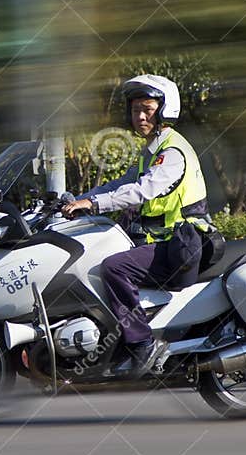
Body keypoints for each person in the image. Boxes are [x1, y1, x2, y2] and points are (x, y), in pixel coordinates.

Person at [61, 74, 213, 376]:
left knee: (114, 268)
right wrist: (77, 200)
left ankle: (143, 344)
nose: (140, 116)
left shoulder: (172, 152)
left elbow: (141, 191)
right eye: (134, 110)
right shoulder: (153, 150)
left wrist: (92, 205)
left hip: (181, 246)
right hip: (164, 243)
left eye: (147, 108)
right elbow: (123, 182)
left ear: (165, 109)